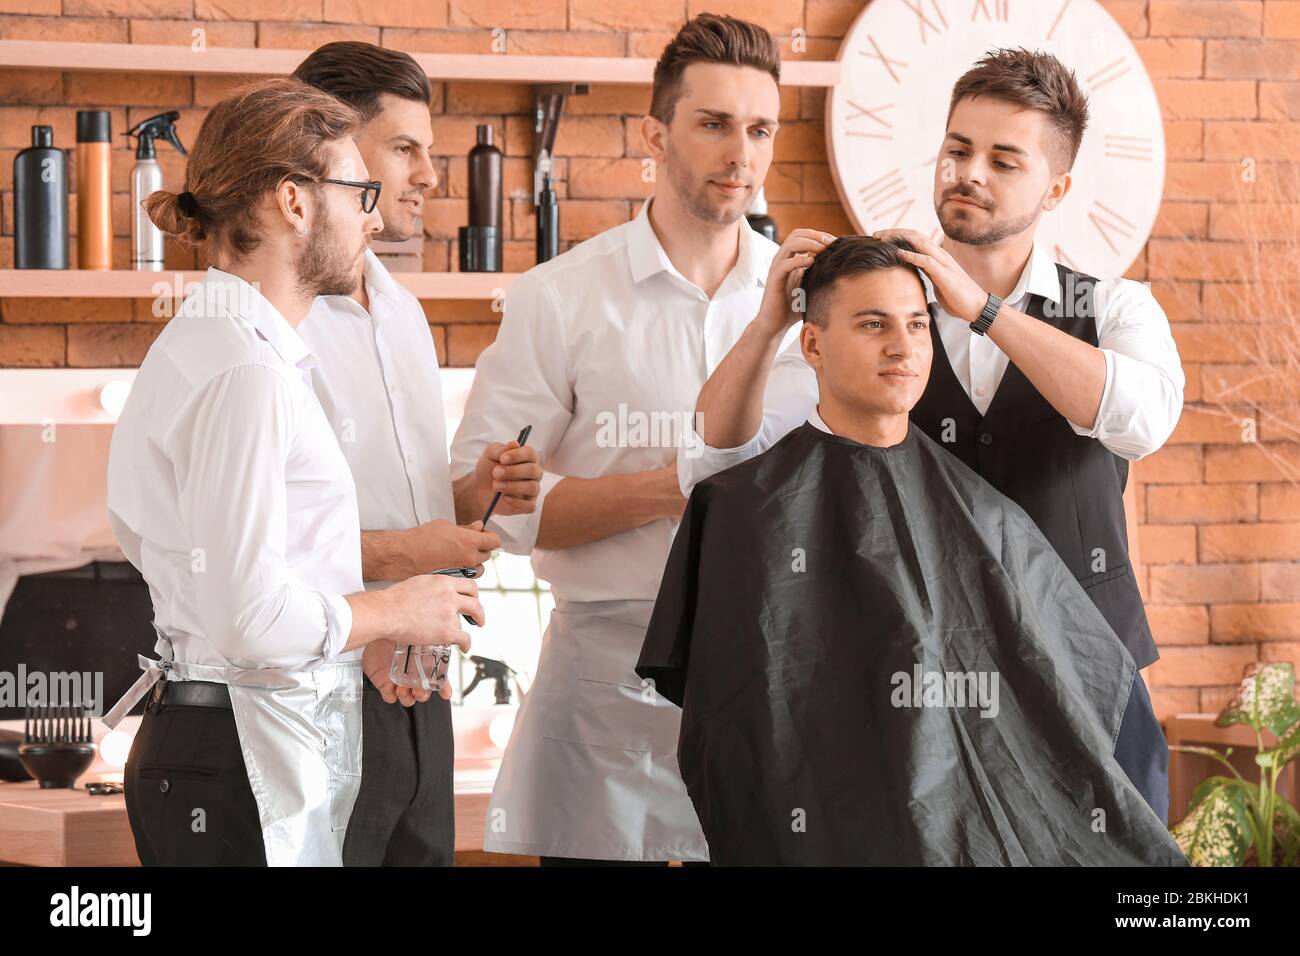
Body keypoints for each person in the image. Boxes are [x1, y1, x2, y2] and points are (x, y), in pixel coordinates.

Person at [683, 48, 1184, 822]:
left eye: (1002, 159)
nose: (968, 172)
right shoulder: (881, 308)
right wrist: (767, 326)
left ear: (1056, 188)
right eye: (957, 148)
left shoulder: (1116, 310)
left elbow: (1142, 421)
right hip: (926, 699)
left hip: (1091, 678)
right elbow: (719, 454)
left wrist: (983, 312)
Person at [638, 235, 1188, 866]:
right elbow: (732, 725)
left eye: (918, 326)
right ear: (812, 345)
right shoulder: (741, 507)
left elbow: (1080, 698)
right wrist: (768, 325)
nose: (901, 348)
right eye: (873, 325)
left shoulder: (988, 516)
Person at [103, 78, 483, 867]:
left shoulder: (232, 348)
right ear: (295, 203)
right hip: (232, 754)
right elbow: (247, 616)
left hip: (239, 744)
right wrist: (393, 613)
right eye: (360, 191)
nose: (375, 217)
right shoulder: (246, 372)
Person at [449, 13, 787, 864]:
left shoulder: (810, 301)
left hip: (768, 693)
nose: (739, 153)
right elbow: (486, 507)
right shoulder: (560, 299)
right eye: (713, 124)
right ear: (655, 133)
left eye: (759, 129)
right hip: (605, 697)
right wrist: (677, 485)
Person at [292, 42, 542, 868]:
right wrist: (394, 583)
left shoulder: (401, 310)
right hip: (325, 685)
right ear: (328, 150)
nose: (429, 174)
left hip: (420, 683)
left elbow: (409, 508)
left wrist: (474, 492)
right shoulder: (274, 325)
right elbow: (265, 546)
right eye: (404, 149)